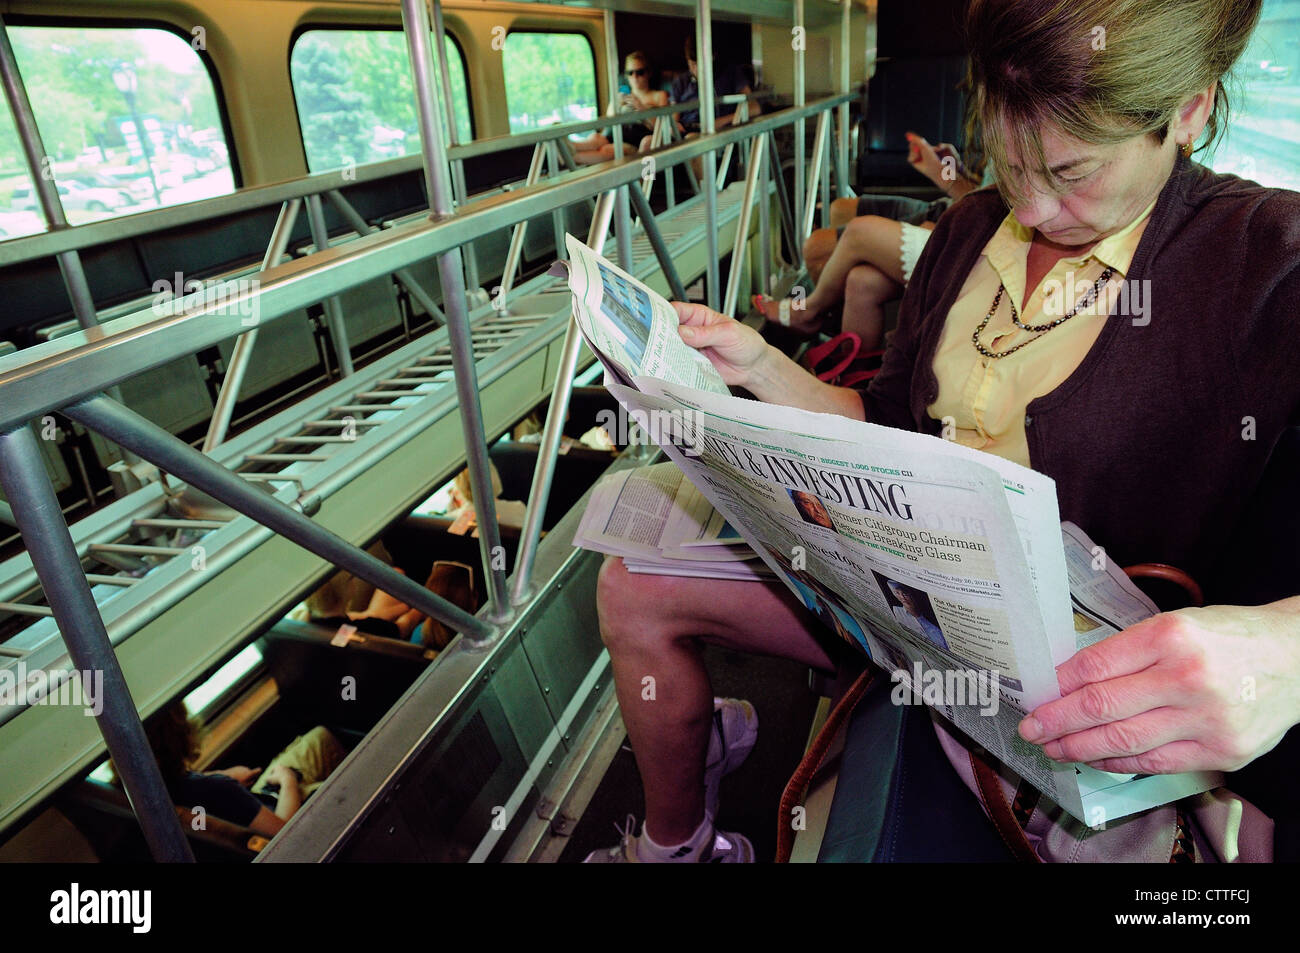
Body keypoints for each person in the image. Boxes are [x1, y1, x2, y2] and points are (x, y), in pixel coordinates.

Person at [587, 0, 1300, 863]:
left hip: (1048, 673)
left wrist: (1285, 651)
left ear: (1188, 110)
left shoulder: (1265, 260)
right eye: (1008, 159)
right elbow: (885, 422)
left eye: (1072, 171)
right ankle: (681, 842)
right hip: (899, 600)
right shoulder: (967, 231)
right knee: (631, 582)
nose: (1032, 208)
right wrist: (760, 370)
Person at [753, 133, 987, 346]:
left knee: (819, 248)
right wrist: (952, 168)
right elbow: (972, 195)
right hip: (944, 210)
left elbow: (986, 214)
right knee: (839, 210)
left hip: (953, 226)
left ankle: (813, 314)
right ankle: (831, 321)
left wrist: (940, 174)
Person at [113, 700, 346, 838]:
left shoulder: (133, 790)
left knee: (320, 739)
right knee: (339, 787)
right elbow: (284, 834)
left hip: (249, 805)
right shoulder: (220, 791)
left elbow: (183, 787)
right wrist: (288, 781)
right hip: (279, 815)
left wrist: (220, 777)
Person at [669, 35, 761, 180]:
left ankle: (704, 198)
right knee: (648, 144)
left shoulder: (731, 73)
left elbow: (754, 108)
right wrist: (674, 126)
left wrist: (722, 121)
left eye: (700, 63)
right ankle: (642, 200)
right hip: (686, 129)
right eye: (692, 64)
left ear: (712, 57)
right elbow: (673, 117)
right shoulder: (681, 82)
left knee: (693, 141)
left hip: (718, 130)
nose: (696, 69)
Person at [571, 51, 670, 164]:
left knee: (607, 150)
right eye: (630, 73)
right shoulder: (623, 95)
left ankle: (565, 159)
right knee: (595, 138)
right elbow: (609, 119)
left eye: (640, 72)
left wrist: (641, 108)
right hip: (614, 133)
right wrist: (616, 103)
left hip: (635, 139)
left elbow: (664, 125)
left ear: (648, 73)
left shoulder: (659, 95)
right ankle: (566, 148)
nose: (635, 77)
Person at [885, 579, 949, 651]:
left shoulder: (930, 614)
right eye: (897, 593)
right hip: (918, 657)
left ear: (912, 593)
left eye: (905, 593)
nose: (902, 597)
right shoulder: (896, 612)